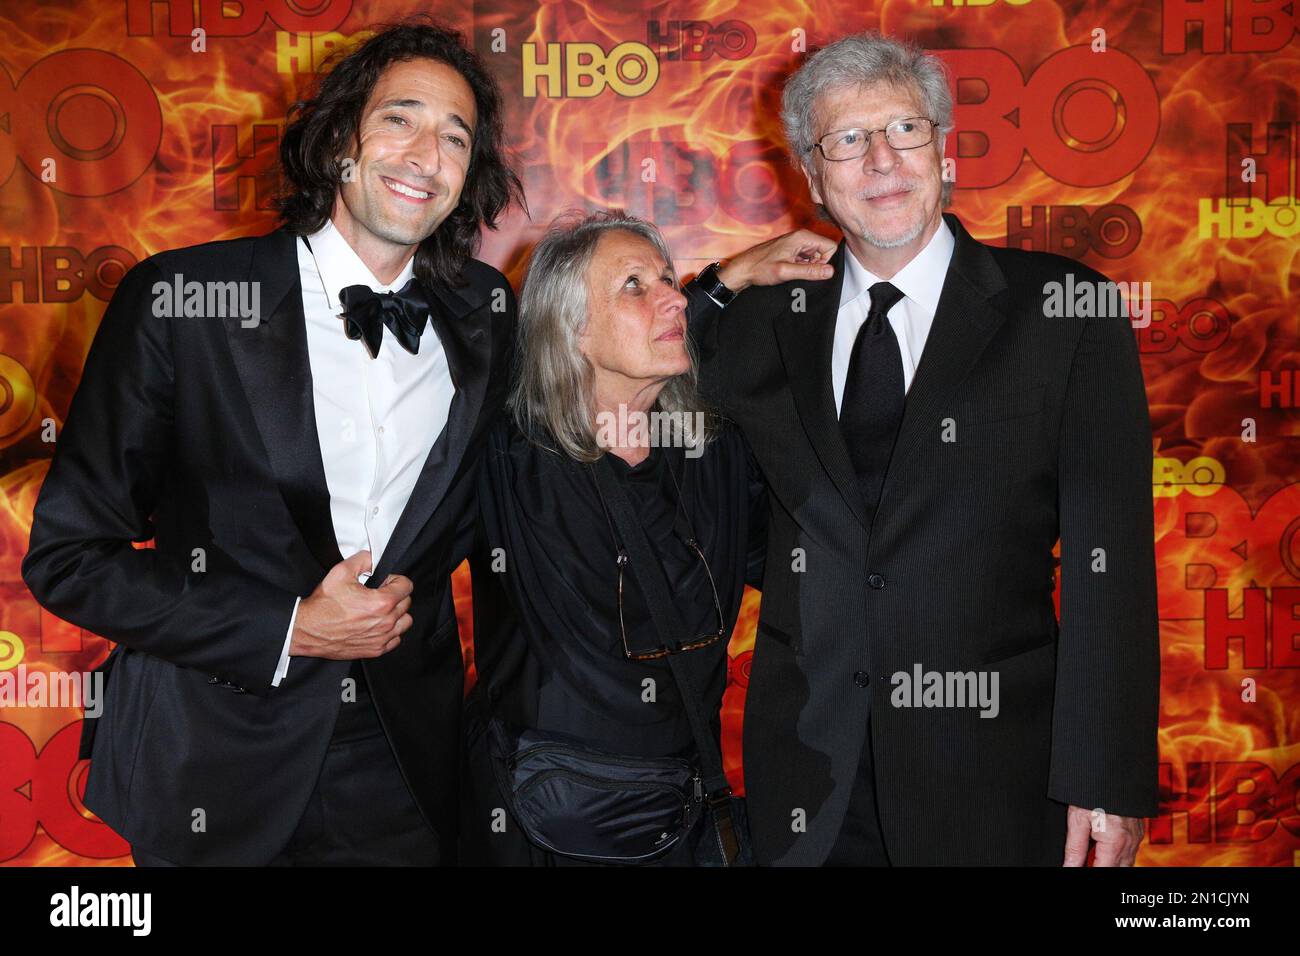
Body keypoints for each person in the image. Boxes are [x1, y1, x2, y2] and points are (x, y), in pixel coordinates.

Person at [21, 16, 524, 866]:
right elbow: (71, 558)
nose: (424, 153)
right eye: (399, 118)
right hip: (213, 753)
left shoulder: (484, 314)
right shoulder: (182, 300)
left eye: (454, 136)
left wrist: (719, 298)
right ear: (337, 144)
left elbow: (605, 351)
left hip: (405, 761)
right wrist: (291, 627)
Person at [684, 31, 1159, 866]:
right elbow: (636, 380)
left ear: (943, 151)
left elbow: (1109, 559)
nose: (881, 161)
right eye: (848, 141)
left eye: (904, 130)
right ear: (812, 175)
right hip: (808, 779)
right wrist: (722, 282)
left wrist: (1107, 778)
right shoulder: (763, 323)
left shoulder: (1063, 309)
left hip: (998, 776)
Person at [460, 210, 829, 866]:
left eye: (669, 279)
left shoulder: (710, 450)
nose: (670, 297)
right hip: (540, 824)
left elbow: (788, 565)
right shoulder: (510, 456)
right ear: (569, 328)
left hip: (682, 816)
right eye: (634, 285)